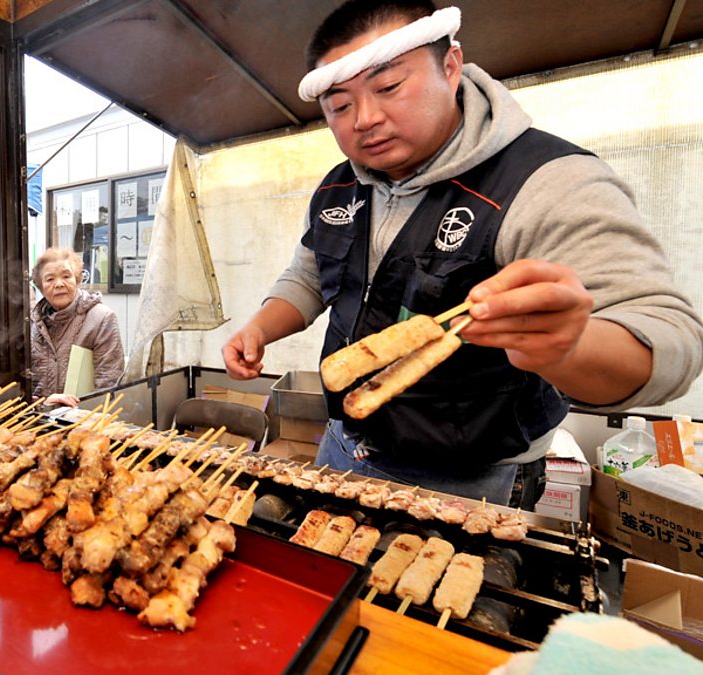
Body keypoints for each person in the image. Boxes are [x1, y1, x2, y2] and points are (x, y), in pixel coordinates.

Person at [221, 0, 703, 509]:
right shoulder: (339, 187)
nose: (365, 119)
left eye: (388, 87)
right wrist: (260, 327)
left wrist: (569, 345)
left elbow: (671, 339)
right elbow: (313, 272)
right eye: (340, 107)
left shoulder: (545, 180)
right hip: (344, 445)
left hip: (473, 479)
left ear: (451, 66)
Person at [30, 247, 124, 407]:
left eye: (66, 276)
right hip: (38, 418)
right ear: (40, 286)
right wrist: (42, 404)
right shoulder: (32, 322)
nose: (59, 284)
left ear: (77, 280)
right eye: (50, 279)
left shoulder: (101, 318)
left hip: (83, 419)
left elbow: (109, 382)